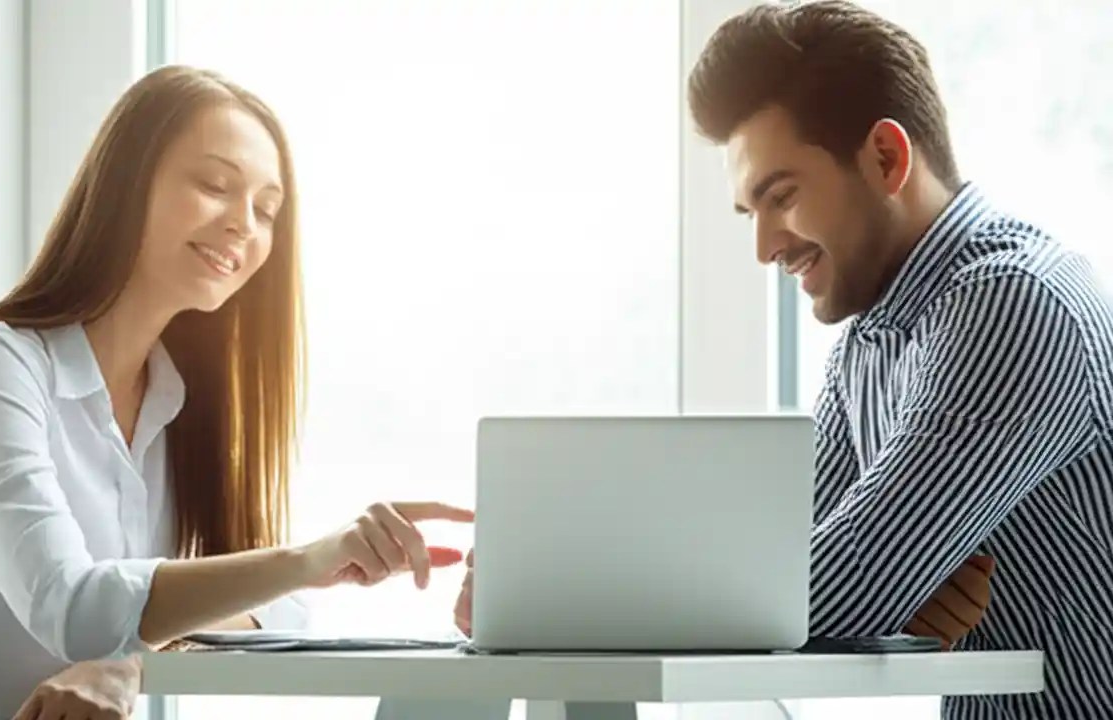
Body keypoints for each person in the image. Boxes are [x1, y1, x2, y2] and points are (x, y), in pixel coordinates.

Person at [457, 2, 1113, 717]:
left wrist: (557, 596)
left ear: (887, 159)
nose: (765, 247)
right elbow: (781, 567)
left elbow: (838, 583)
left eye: (782, 197)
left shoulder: (1012, 303)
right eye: (751, 213)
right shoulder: (869, 345)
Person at [0, 65, 474, 720]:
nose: (245, 224)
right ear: (126, 188)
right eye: (216, 185)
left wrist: (127, 659)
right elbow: (69, 606)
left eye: (266, 210)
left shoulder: (177, 404)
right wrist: (314, 556)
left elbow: (276, 613)